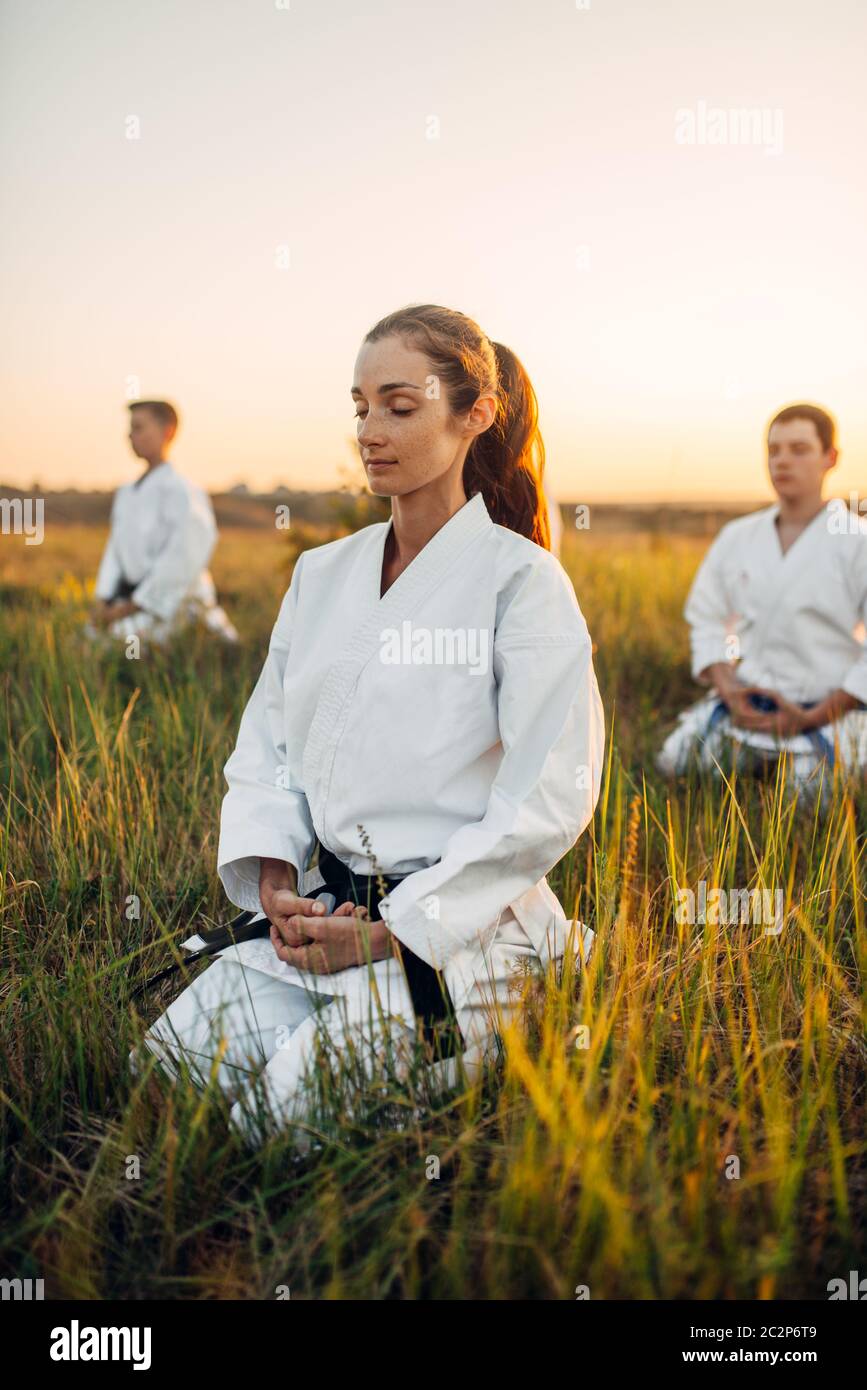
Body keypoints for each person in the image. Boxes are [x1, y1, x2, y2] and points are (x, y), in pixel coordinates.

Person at [135, 305, 605, 1146]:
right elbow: (267, 747)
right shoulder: (322, 574)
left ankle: (522, 997)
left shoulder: (521, 583)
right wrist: (276, 879)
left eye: (399, 405)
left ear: (475, 415)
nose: (369, 429)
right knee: (168, 1069)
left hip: (460, 929)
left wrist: (399, 928)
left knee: (284, 1122)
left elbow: (547, 795)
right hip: (329, 912)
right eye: (359, 405)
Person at [657, 403, 867, 790]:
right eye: (774, 450)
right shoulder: (738, 535)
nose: (782, 461)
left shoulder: (858, 541)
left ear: (830, 457)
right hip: (748, 705)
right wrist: (730, 691)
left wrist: (811, 716)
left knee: (807, 797)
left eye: (799, 449)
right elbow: (706, 616)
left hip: (830, 710)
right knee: (675, 761)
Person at [87, 400, 239, 646]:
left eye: (138, 428)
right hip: (126, 601)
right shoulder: (126, 492)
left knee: (117, 643)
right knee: (89, 640)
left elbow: (182, 557)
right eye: (130, 429)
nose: (130, 436)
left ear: (167, 431)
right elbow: (115, 551)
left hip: (173, 604)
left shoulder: (183, 491)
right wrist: (105, 600)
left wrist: (134, 605)